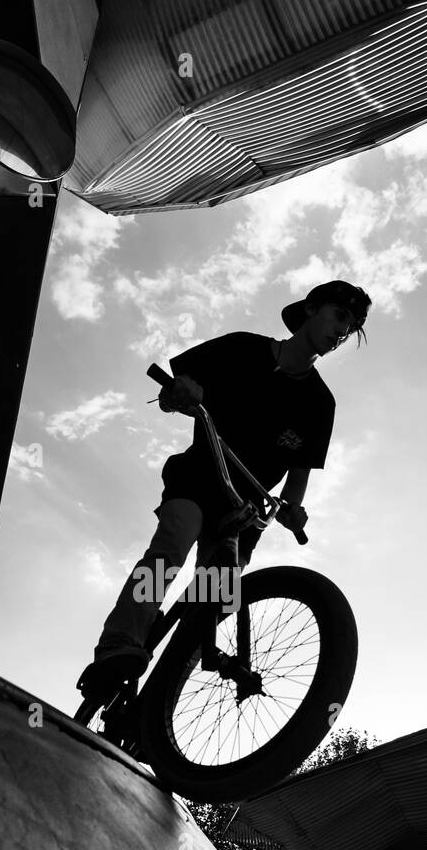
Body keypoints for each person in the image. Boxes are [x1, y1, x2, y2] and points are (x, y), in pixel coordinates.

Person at [77, 279, 372, 700]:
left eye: (353, 327)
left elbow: (299, 472)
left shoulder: (320, 404)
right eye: (340, 316)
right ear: (310, 308)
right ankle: (118, 644)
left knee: (215, 600)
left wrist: (293, 509)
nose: (343, 331)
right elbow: (171, 393)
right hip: (199, 479)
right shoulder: (242, 349)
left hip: (244, 510)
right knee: (171, 546)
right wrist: (182, 392)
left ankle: (154, 711)